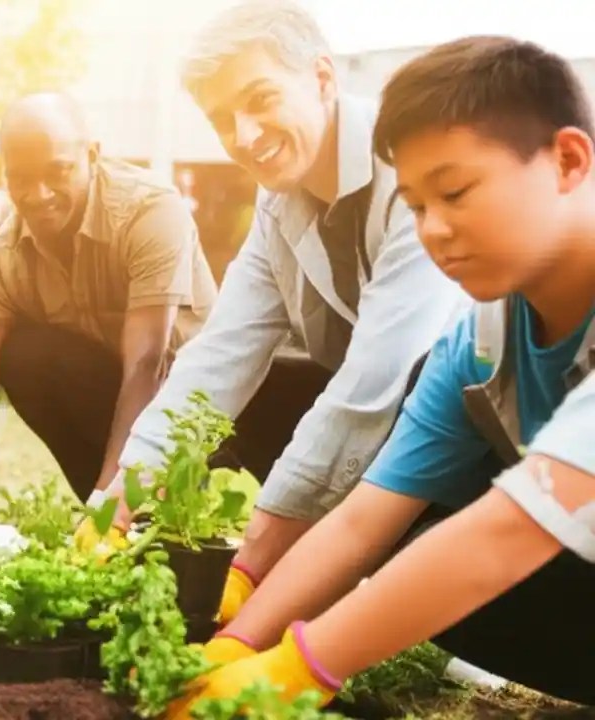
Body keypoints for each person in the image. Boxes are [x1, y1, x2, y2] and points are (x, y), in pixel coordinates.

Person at [169, 36, 595, 715]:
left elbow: (513, 529)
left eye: (455, 192)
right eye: (417, 206)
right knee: (417, 546)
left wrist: (300, 669)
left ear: (568, 160)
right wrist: (238, 644)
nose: (433, 230)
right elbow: (362, 520)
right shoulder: (480, 340)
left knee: (467, 551)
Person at [88, 0, 469, 622]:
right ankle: (340, 573)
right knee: (262, 386)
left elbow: (377, 379)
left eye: (260, 99)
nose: (243, 135)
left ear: (321, 79)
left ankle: (437, 592)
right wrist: (119, 500)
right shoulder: (279, 203)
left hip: (483, 433)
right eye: (221, 119)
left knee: (409, 386)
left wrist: (252, 561)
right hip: (383, 427)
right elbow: (221, 353)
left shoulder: (410, 170)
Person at [0, 91, 215, 561]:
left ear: (91, 155)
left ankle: (124, 510)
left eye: (58, 172)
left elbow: (147, 364)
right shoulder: (6, 254)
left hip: (199, 403)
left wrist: (110, 506)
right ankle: (118, 515)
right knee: (25, 356)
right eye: (20, 179)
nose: (39, 194)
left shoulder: (150, 212)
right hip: (112, 406)